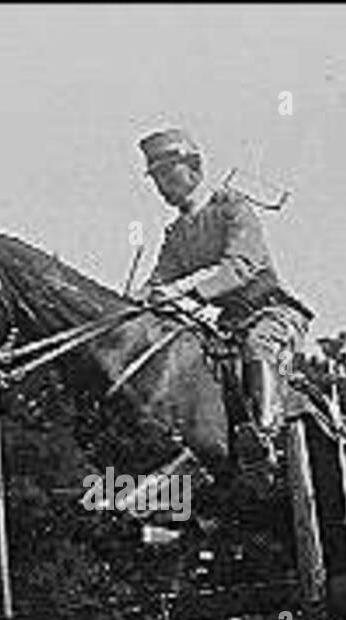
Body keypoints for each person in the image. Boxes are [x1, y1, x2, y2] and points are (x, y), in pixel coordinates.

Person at [134, 128, 314, 480]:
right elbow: (157, 282)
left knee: (257, 346)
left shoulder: (233, 208)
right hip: (225, 324)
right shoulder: (176, 233)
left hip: (272, 313)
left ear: (194, 168)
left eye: (168, 173)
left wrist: (182, 291)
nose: (162, 185)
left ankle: (264, 439)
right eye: (156, 178)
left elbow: (240, 266)